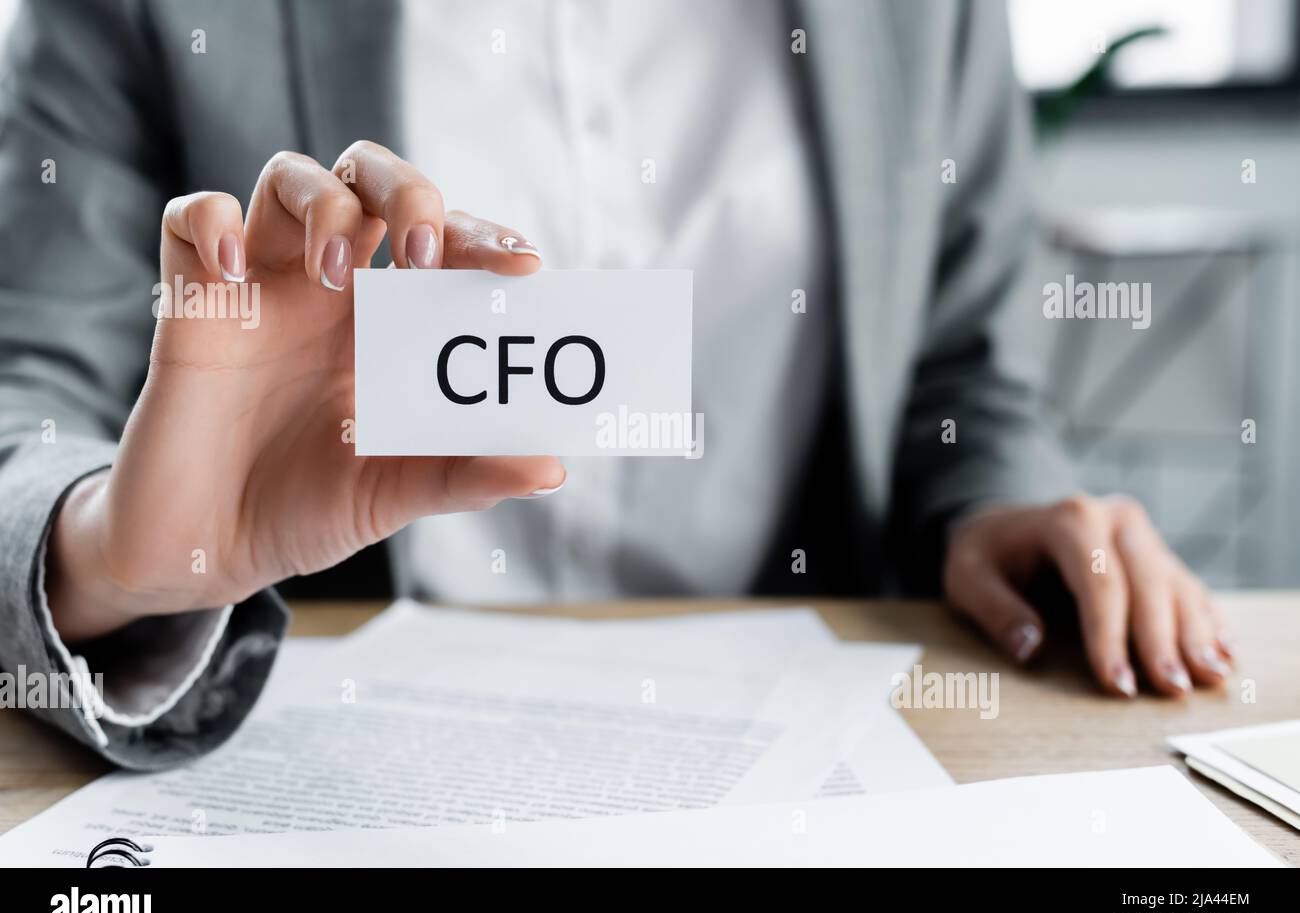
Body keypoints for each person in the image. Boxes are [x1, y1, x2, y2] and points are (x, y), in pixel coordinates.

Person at [0, 0, 1233, 769]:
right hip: (319, 761)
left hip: (824, 759)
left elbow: (960, 362)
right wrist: (113, 552)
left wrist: (993, 501)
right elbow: (28, 390)